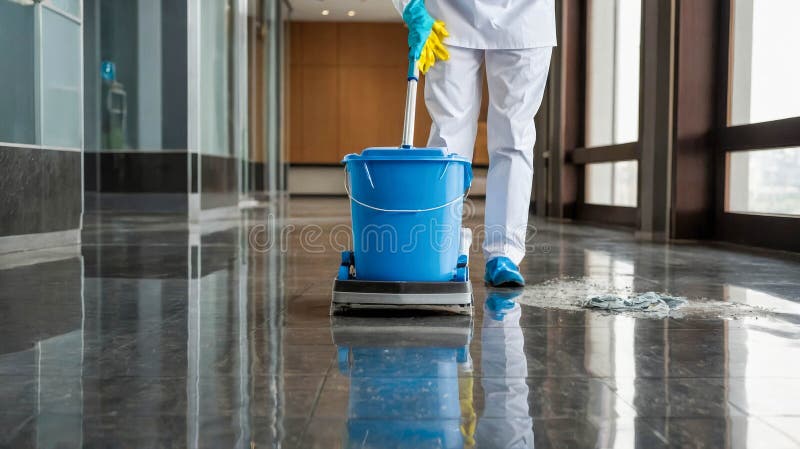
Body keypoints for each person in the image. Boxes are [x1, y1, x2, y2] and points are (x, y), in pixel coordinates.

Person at [391, 0, 556, 287]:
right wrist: (411, 6)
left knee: (514, 137)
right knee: (448, 136)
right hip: (449, 11)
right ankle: (441, 244)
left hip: (526, 15)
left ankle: (504, 252)